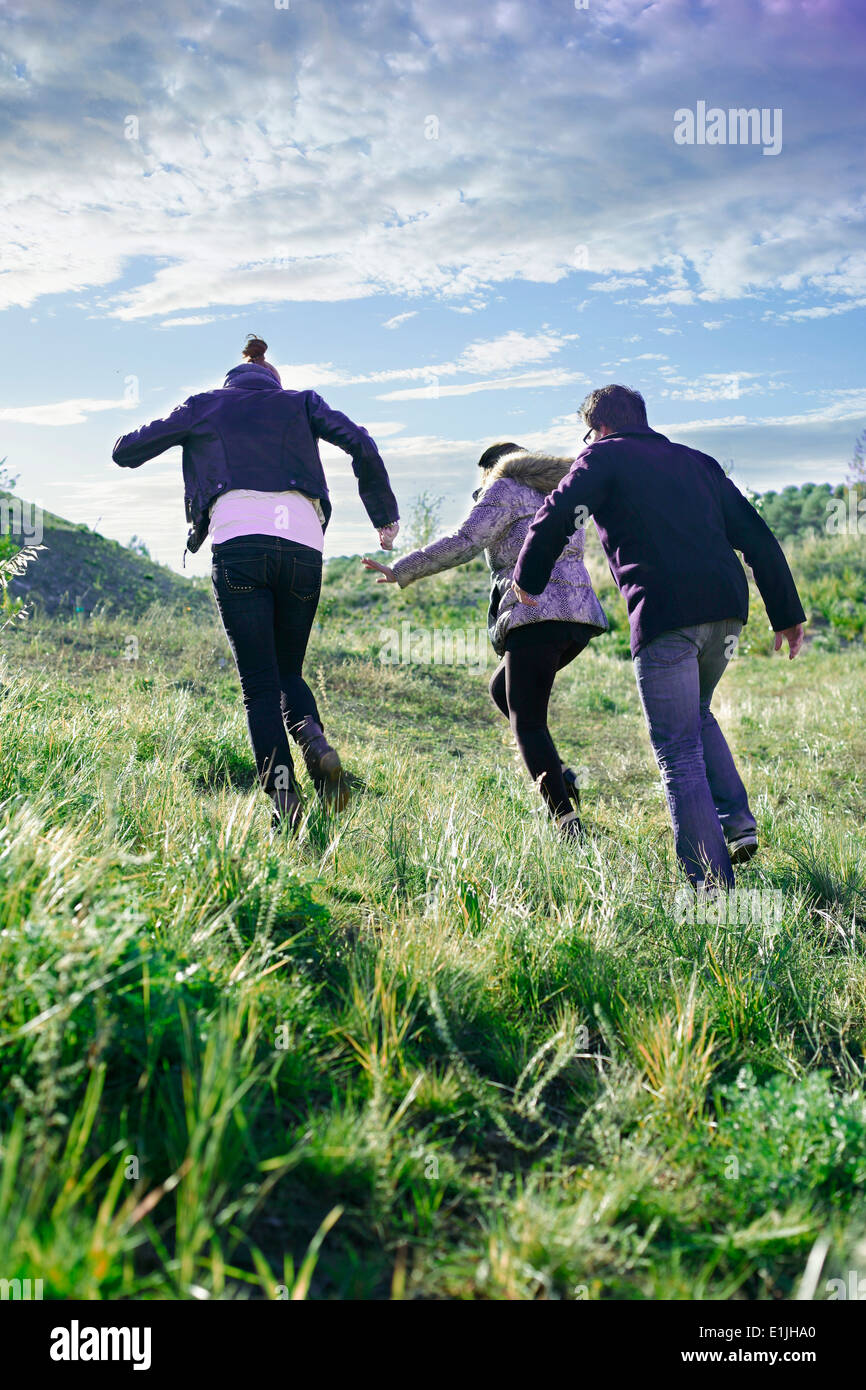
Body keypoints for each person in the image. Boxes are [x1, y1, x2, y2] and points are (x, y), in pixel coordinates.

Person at [512, 384, 806, 889]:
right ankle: (736, 825)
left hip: (667, 614)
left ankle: (710, 890)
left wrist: (527, 578)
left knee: (677, 749)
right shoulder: (698, 462)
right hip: (728, 614)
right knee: (694, 714)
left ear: (599, 427)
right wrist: (786, 613)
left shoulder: (601, 458)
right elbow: (756, 534)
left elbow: (556, 514)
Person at [113, 334, 400, 831]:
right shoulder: (302, 403)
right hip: (303, 547)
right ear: (273, 383)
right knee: (288, 670)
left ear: (233, 380)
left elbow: (127, 452)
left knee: (260, 688)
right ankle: (313, 739)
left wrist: (173, 429)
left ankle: (285, 804)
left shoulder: (206, 405)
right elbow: (361, 440)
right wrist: (384, 516)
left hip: (239, 543)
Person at [362, 442, 608, 837]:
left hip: (534, 613)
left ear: (490, 469)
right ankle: (561, 777)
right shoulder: (558, 490)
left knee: (527, 722)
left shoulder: (503, 487)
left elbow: (465, 541)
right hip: (578, 617)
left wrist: (401, 569)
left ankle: (566, 822)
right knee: (503, 691)